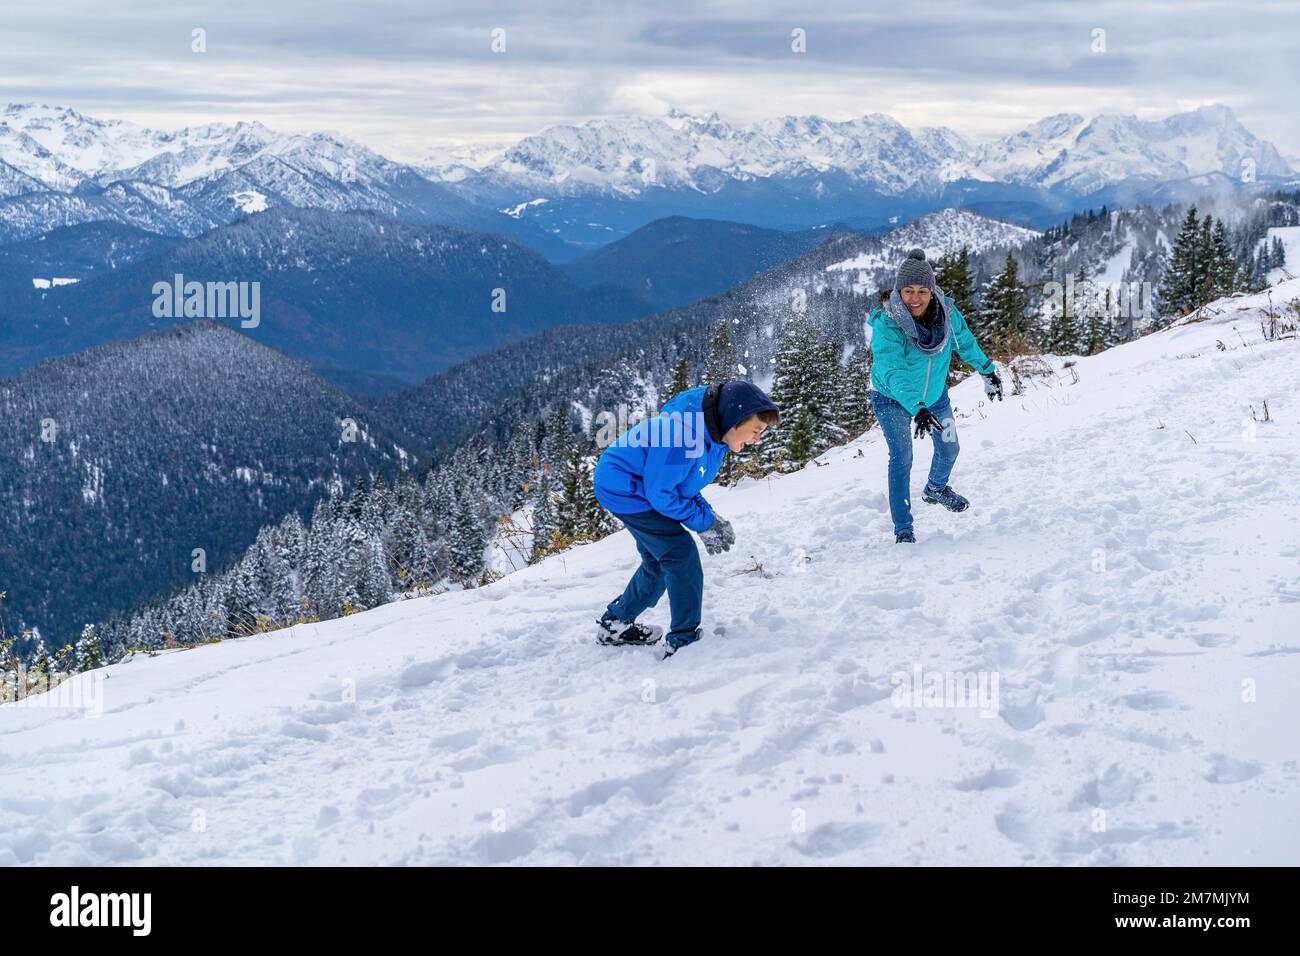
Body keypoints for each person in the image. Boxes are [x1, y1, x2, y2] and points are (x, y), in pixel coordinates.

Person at [592, 380, 779, 656]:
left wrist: (709, 517)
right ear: (734, 420)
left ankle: (615, 624)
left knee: (659, 560)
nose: (757, 440)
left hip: (639, 489)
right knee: (679, 554)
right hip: (626, 490)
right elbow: (661, 495)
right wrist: (704, 523)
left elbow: (684, 487)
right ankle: (684, 640)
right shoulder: (683, 437)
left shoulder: (712, 438)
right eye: (756, 430)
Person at [867, 248, 1003, 543]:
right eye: (908, 291)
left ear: (932, 291)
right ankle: (904, 529)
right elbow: (893, 370)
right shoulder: (887, 323)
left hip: (935, 397)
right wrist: (916, 406)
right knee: (902, 458)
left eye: (922, 291)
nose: (915, 299)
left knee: (950, 447)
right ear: (898, 291)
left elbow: (965, 343)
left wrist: (987, 370)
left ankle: (936, 488)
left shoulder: (947, 315)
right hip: (891, 399)